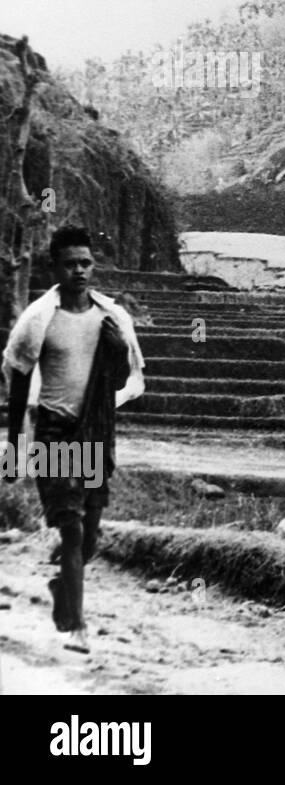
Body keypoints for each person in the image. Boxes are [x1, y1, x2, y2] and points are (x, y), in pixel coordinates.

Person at [2, 225, 146, 654]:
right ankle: (79, 627)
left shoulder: (111, 320)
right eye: (70, 263)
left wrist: (118, 349)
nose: (79, 271)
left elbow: (121, 380)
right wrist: (14, 447)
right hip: (55, 434)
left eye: (86, 263)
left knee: (90, 539)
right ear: (55, 266)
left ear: (93, 265)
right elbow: (17, 381)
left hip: (95, 434)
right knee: (72, 530)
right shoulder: (38, 319)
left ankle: (63, 588)